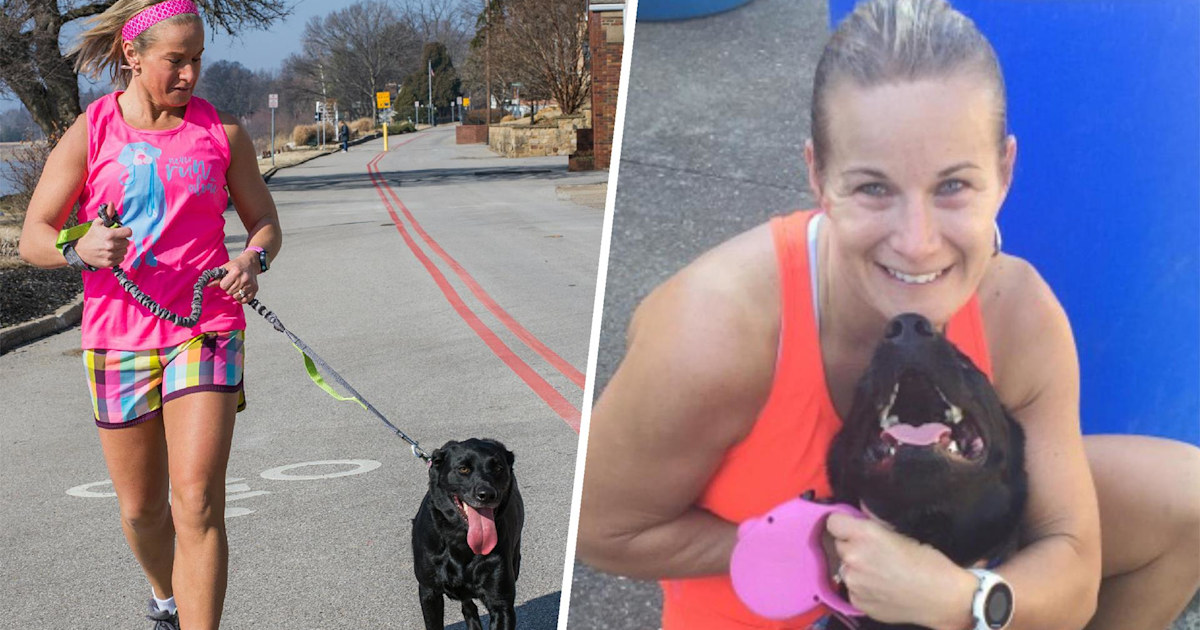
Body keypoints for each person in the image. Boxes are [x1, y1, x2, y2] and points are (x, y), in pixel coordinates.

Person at [575, 1, 1200, 629]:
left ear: (1004, 172)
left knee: (1186, 496)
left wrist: (966, 599)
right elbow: (603, 528)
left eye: (953, 185)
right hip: (767, 612)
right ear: (818, 176)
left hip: (957, 585)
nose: (917, 241)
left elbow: (1072, 567)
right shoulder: (716, 331)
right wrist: (818, 543)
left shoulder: (1020, 314)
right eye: (874, 187)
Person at [18, 1, 282, 628]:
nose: (190, 75)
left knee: (196, 501)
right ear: (133, 57)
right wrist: (75, 248)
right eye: (176, 61)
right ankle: (166, 597)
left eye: (197, 60)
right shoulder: (95, 129)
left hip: (207, 327)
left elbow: (265, 224)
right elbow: (33, 234)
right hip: (118, 337)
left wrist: (253, 260)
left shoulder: (222, 133)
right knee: (142, 511)